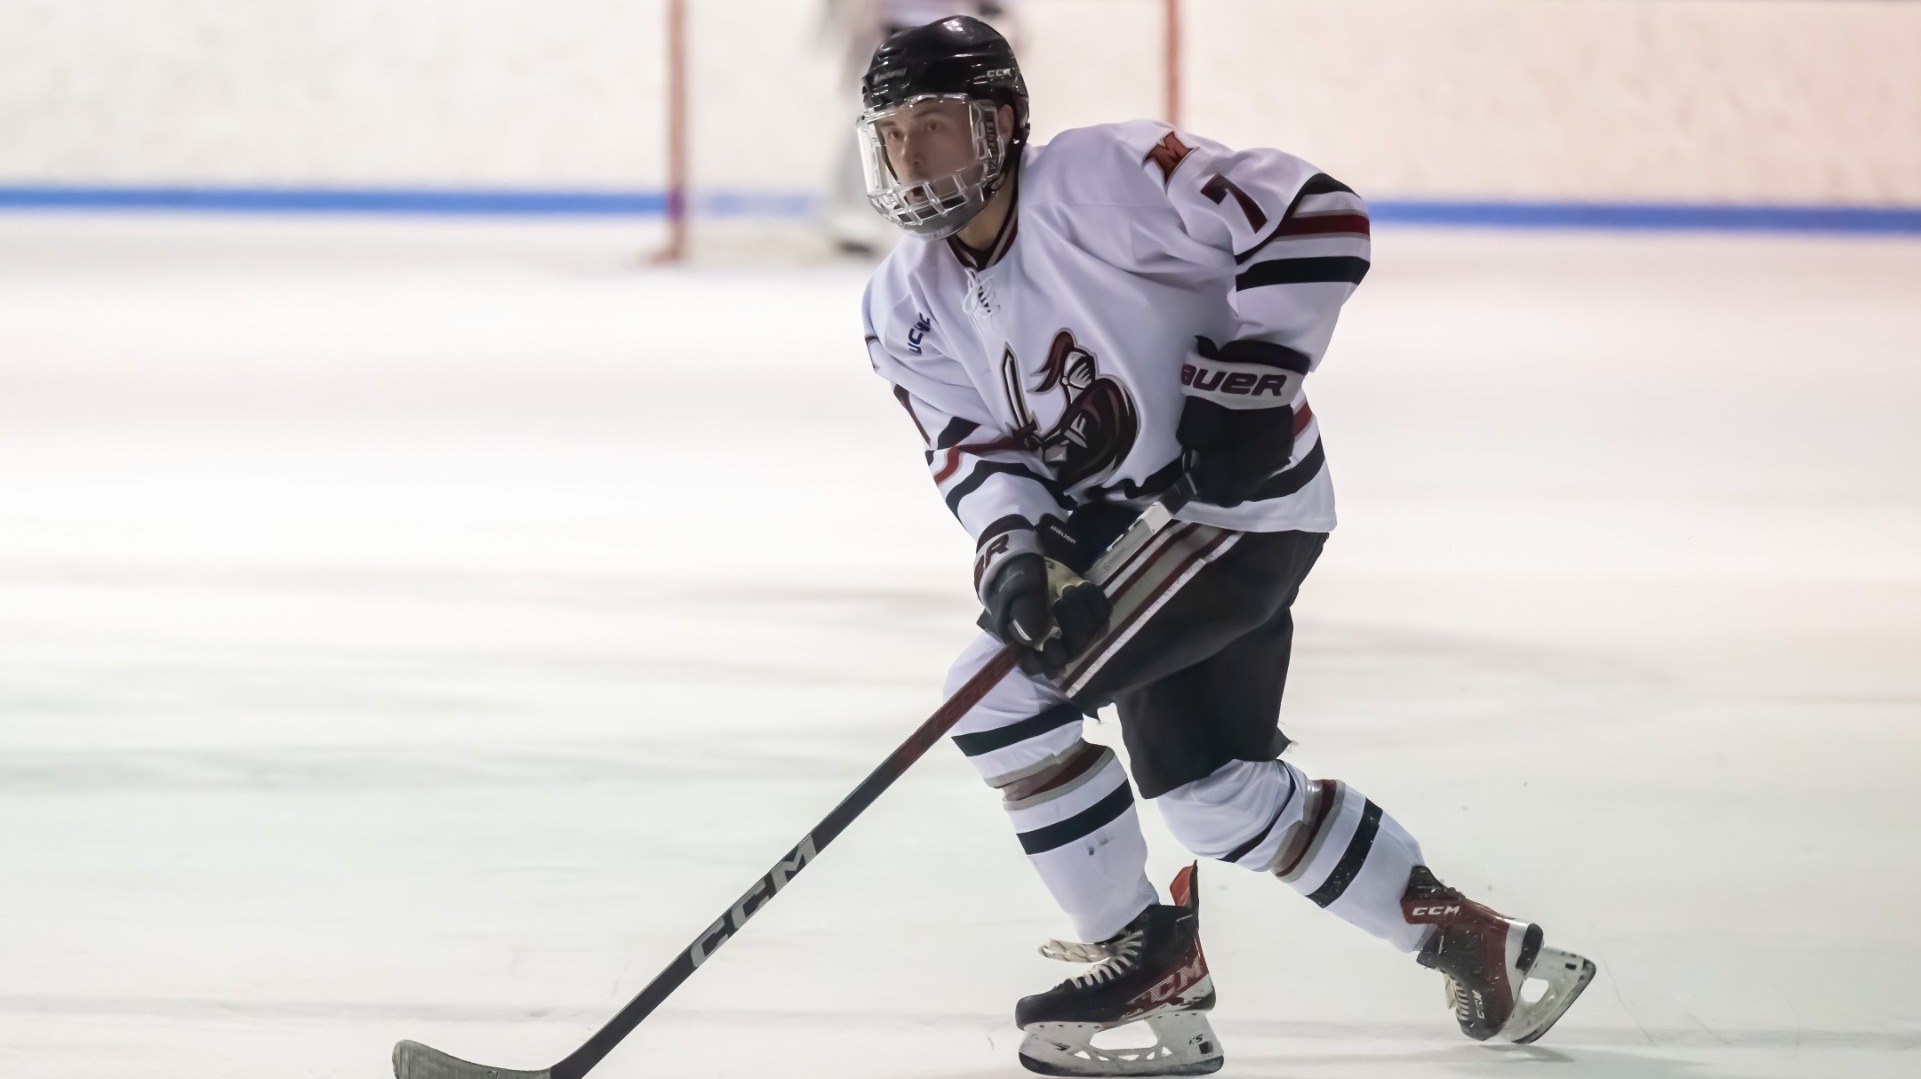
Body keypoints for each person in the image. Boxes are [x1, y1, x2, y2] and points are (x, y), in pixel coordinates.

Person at [856, 17, 1596, 1077]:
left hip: (1231, 518)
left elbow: (1316, 213)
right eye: (891, 133)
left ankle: (1142, 954)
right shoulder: (902, 304)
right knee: (1209, 792)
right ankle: (1473, 940)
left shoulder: (1098, 178)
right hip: (1140, 536)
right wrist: (1013, 549)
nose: (911, 156)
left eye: (936, 125)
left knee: (996, 693)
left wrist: (1252, 377)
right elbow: (970, 453)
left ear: (1004, 125)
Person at [820, 1, 1020, 256]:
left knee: (948, 132)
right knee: (882, 135)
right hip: (901, 47)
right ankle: (856, 219)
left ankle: (869, 219)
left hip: (939, 48)